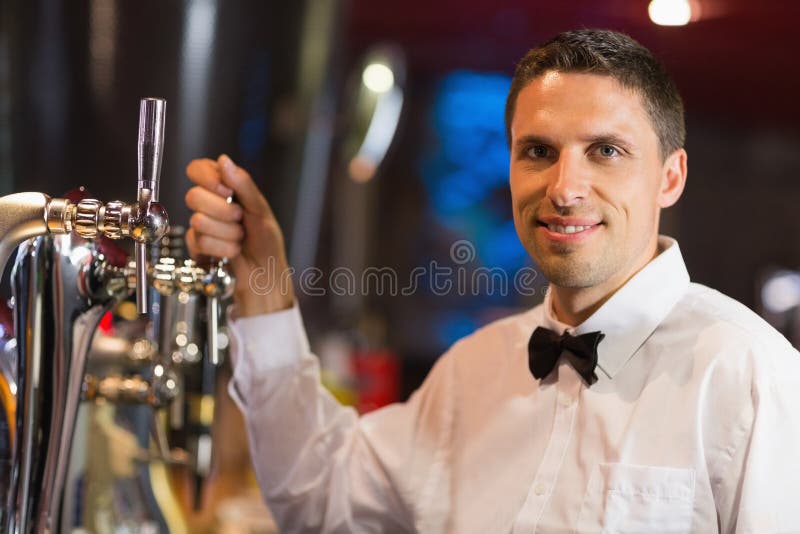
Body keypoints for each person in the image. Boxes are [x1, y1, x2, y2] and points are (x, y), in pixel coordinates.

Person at [184, 29, 800, 533]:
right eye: (538, 151)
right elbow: (317, 495)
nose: (564, 187)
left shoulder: (750, 374)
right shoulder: (470, 370)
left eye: (605, 151)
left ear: (670, 177)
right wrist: (262, 284)